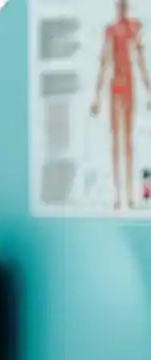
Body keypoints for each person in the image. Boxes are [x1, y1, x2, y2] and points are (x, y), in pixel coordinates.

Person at [91, 0, 151, 210]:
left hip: (127, 86)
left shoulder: (133, 28)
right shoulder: (111, 30)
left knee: (127, 141)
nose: (121, 9)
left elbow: (140, 60)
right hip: (115, 86)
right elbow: (104, 61)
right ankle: (117, 195)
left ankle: (130, 196)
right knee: (116, 141)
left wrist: (148, 90)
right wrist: (97, 96)